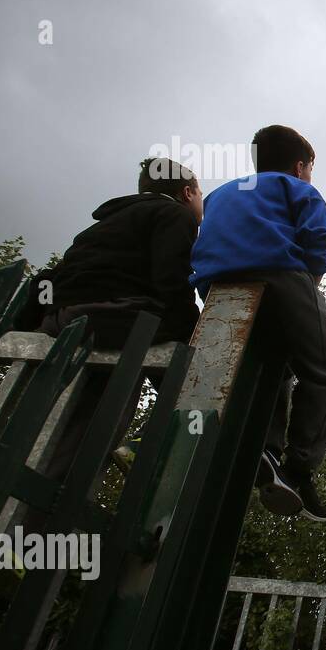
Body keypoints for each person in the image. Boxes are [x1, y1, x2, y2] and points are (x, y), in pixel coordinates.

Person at [189, 125, 326, 522]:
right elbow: (317, 245)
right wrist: (307, 291)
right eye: (311, 168)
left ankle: (267, 451)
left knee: (274, 365)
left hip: (218, 288)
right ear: (300, 165)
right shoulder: (300, 190)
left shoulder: (220, 194)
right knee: (325, 368)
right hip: (279, 273)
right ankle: (299, 470)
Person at [28, 157, 204, 481]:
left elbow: (54, 275)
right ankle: (56, 500)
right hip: (116, 317)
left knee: (58, 417)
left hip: (64, 317)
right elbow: (171, 281)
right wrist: (193, 335)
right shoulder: (174, 215)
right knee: (99, 424)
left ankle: (36, 489)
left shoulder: (106, 222)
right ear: (188, 193)